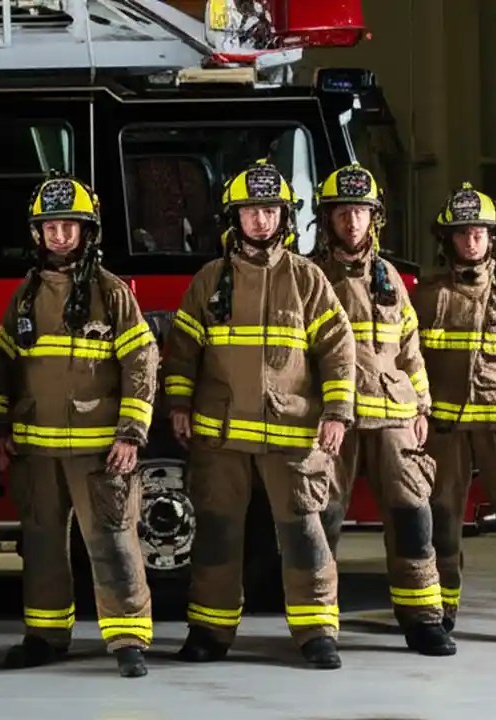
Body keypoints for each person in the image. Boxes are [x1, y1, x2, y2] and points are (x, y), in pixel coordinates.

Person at [163, 160, 355, 669]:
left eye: (269, 211)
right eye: (251, 212)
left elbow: (338, 350)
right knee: (218, 531)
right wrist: (179, 403)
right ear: (235, 217)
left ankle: (317, 632)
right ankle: (209, 631)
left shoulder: (308, 280)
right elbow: (182, 351)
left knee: (302, 532)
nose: (261, 222)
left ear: (284, 217)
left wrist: (337, 411)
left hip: (292, 432)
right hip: (221, 434)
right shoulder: (209, 281)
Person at [0, 172, 158, 677]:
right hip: (36, 450)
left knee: (112, 541)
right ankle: (45, 634)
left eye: (70, 226)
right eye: (50, 227)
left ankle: (128, 638)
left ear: (88, 231)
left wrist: (131, 432)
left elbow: (142, 363)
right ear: (37, 234)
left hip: (99, 451)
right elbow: (3, 367)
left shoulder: (113, 294)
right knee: (41, 545)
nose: (60, 235)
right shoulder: (25, 297)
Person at [311, 164, 455, 656]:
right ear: (327, 218)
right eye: (343, 213)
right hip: (335, 418)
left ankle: (422, 620)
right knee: (322, 518)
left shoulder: (389, 275)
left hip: (395, 415)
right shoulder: (309, 275)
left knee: (413, 514)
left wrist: (422, 404)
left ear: (375, 219)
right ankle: (318, 626)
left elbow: (409, 346)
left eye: (361, 213)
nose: (353, 223)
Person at [412, 182, 496, 640]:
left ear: (493, 237)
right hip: (445, 423)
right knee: (442, 517)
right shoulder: (426, 295)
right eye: (462, 233)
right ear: (448, 240)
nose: (471, 240)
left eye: (479, 232)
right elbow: (410, 357)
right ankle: (443, 610)